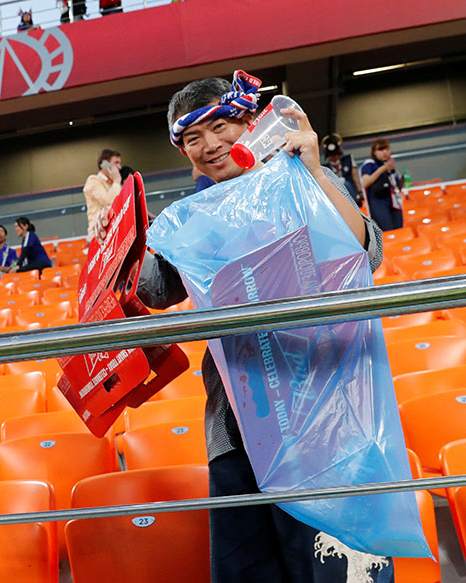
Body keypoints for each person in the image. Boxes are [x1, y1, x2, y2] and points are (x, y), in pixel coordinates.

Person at [94, 71, 387, 582]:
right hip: (236, 428)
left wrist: (317, 174)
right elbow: (151, 290)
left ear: (250, 119)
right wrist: (112, 233)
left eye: (220, 123)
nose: (210, 144)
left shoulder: (302, 176)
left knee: (335, 570)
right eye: (192, 137)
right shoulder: (190, 217)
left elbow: (367, 252)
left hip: (327, 416)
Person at [361, 138, 403, 232]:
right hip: (378, 202)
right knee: (388, 231)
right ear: (374, 152)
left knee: (399, 231)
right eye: (380, 150)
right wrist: (382, 169)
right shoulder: (369, 164)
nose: (385, 152)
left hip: (394, 202)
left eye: (387, 149)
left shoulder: (391, 167)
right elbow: (365, 182)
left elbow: (397, 186)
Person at [83, 148, 122, 237]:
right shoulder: (93, 180)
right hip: (99, 234)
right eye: (116, 163)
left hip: (112, 230)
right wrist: (116, 181)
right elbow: (109, 201)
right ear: (105, 164)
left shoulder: (113, 184)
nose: (119, 167)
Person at [321, 134, 362, 206]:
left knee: (346, 184)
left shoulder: (348, 159)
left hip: (350, 190)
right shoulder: (325, 168)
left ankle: (353, 203)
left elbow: (354, 175)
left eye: (335, 154)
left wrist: (360, 191)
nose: (334, 157)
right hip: (336, 192)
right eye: (331, 155)